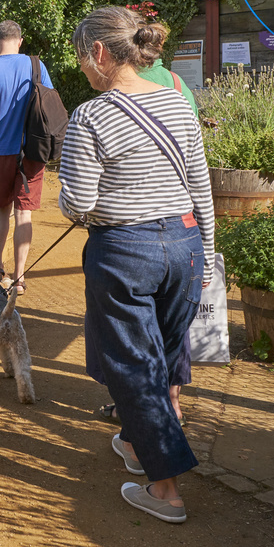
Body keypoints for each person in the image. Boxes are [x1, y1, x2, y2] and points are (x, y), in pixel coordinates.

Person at [58, 6, 214, 524]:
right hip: (185, 245)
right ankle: (133, 441)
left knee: (135, 369)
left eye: (82, 56)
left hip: (125, 252)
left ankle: (165, 491)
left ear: (100, 53)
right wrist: (207, 255)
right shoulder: (177, 103)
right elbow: (201, 188)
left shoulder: (90, 116)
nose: (81, 67)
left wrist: (72, 199)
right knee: (163, 357)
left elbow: (78, 203)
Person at [96, 55, 200, 427]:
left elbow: (83, 193)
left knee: (132, 334)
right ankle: (173, 403)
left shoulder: (111, 95)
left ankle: (134, 419)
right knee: (172, 330)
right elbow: (194, 163)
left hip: (128, 234)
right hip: (181, 228)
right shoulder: (178, 86)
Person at [0, 20, 54, 292]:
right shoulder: (36, 66)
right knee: (24, 214)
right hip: (32, 150)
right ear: (20, 41)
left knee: (1, 209)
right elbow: (48, 105)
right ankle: (19, 277)